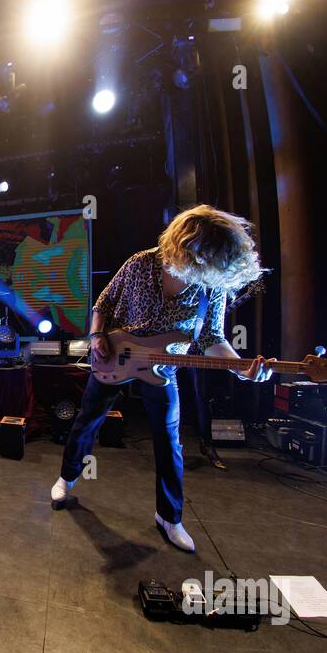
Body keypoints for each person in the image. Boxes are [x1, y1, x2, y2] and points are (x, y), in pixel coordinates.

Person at [50, 205, 276, 552]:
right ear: (185, 244)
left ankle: (169, 518)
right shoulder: (141, 262)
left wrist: (240, 368)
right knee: (86, 423)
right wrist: (97, 337)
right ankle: (67, 478)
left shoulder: (209, 285)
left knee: (169, 443)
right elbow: (103, 303)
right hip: (116, 354)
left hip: (162, 369)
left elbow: (211, 337)